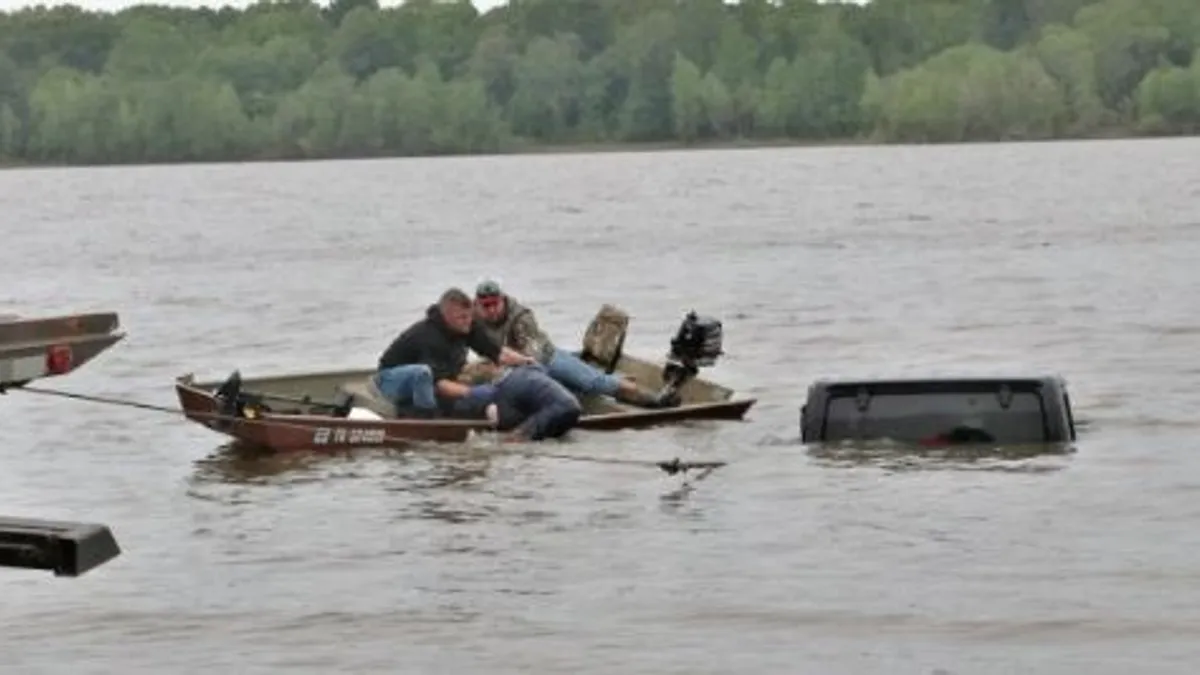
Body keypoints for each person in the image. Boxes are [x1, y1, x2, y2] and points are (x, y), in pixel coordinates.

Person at [472, 280, 679, 408]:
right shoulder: (473, 317)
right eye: (486, 305)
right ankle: (616, 377)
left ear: (502, 300)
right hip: (516, 367)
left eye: (494, 304)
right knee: (578, 391)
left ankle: (655, 399)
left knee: (593, 383)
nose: (491, 310)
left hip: (546, 359)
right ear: (478, 304)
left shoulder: (521, 317)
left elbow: (531, 357)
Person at [371, 287, 534, 418]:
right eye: (461, 317)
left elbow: (497, 353)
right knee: (423, 374)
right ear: (446, 316)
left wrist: (526, 361)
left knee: (482, 375)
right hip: (390, 380)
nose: (467, 321)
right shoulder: (429, 336)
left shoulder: (468, 326)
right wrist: (473, 392)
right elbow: (439, 383)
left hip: (435, 379)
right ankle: (426, 419)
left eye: (469, 316)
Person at [461, 363, 583, 441]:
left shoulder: (502, 392)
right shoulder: (527, 370)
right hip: (574, 406)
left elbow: (506, 422)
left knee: (512, 439)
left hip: (554, 410)